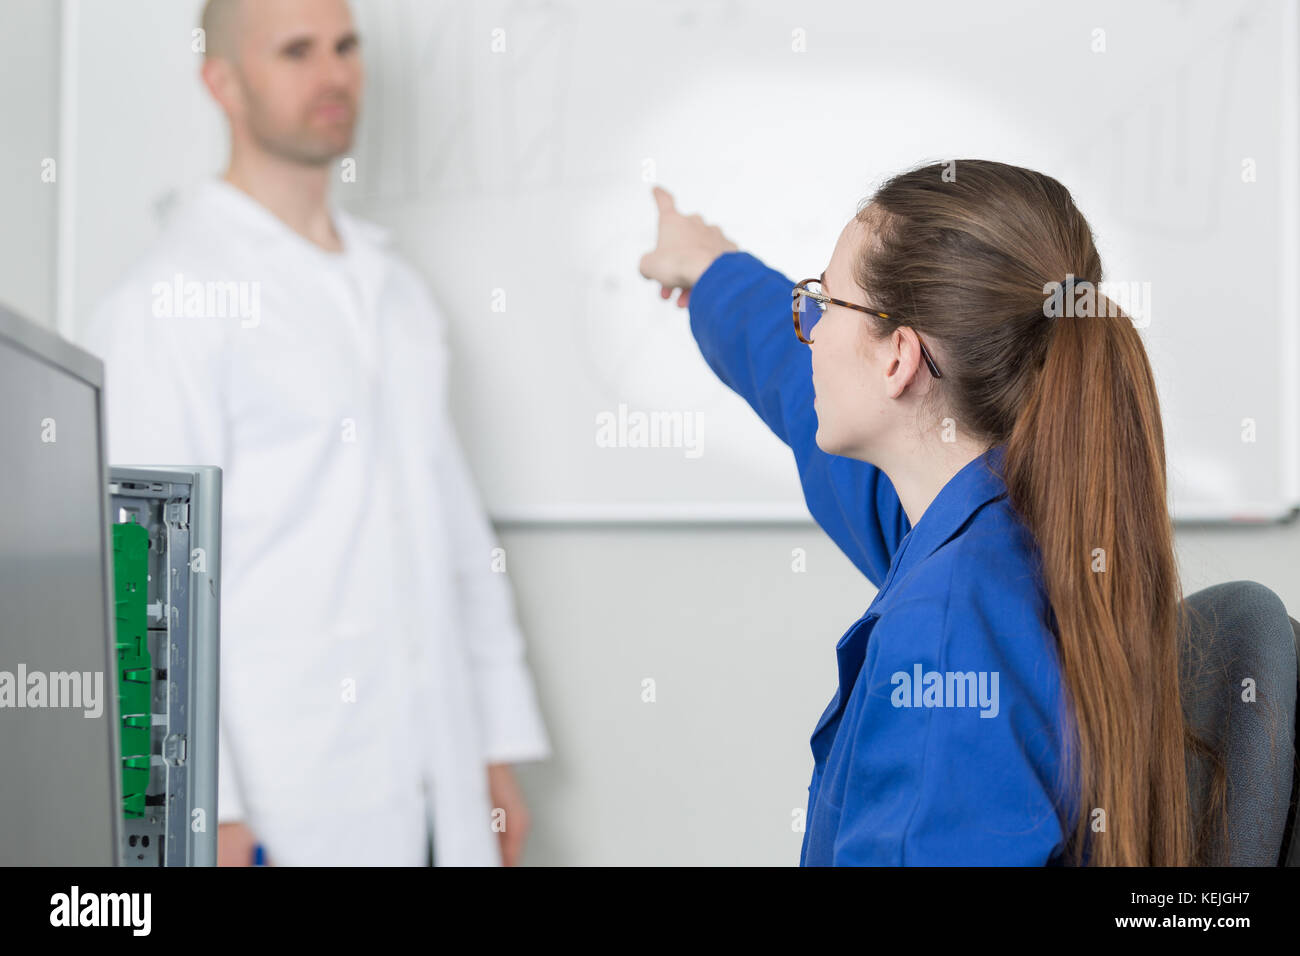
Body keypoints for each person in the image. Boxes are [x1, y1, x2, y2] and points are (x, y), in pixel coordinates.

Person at [639, 161, 1224, 865]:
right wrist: (712, 270)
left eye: (827, 302)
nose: (812, 329)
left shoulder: (943, 641)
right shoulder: (1008, 529)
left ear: (899, 361)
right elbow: (797, 388)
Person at [80, 0, 550, 866]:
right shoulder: (166, 303)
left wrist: (489, 748)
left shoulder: (396, 291)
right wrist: (199, 810)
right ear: (220, 80)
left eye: (345, 47)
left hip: (429, 778)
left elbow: (451, 536)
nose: (332, 74)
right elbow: (142, 586)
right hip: (284, 797)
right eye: (297, 51)